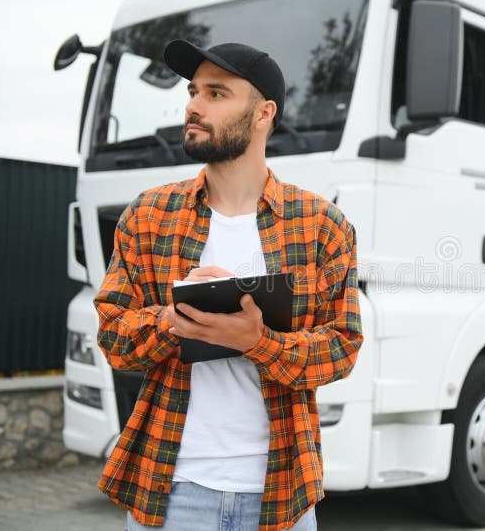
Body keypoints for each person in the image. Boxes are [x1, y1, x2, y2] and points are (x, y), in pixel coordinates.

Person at [93, 39, 364, 531]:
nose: (193, 105)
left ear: (263, 114)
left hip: (282, 492)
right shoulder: (148, 216)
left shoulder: (322, 225)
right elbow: (114, 339)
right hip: (172, 490)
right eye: (193, 91)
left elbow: (341, 350)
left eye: (216, 94)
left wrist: (257, 342)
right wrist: (173, 321)